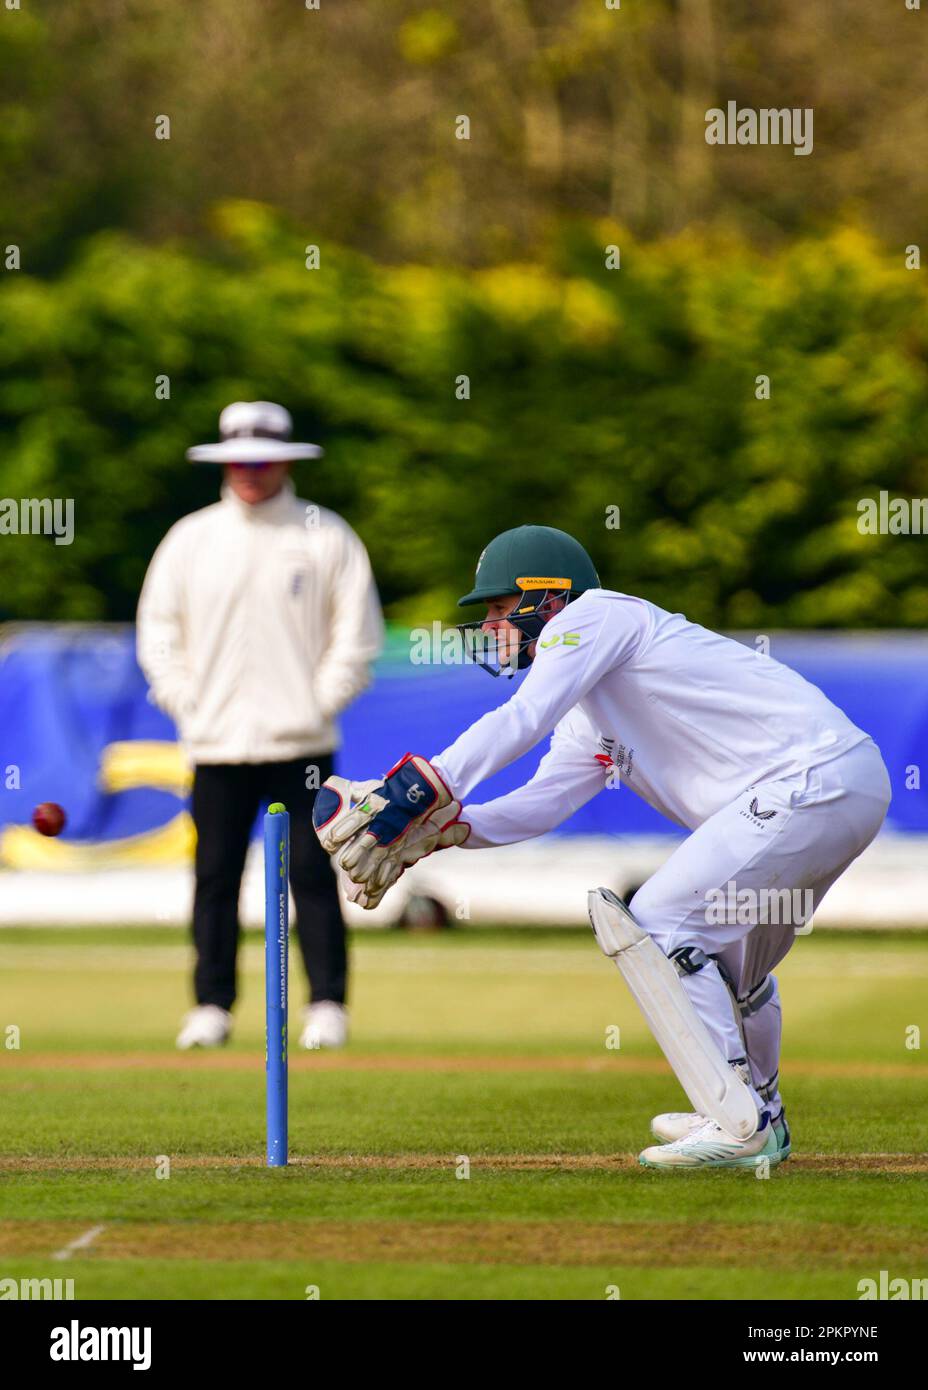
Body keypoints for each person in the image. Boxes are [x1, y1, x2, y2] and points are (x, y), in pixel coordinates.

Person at [312, 524, 890, 1169]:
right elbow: (544, 802)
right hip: (834, 787)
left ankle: (737, 1122)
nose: (494, 627)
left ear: (550, 599)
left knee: (664, 921)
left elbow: (519, 719)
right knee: (739, 971)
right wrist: (448, 830)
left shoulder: (601, 615)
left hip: (811, 780)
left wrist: (417, 788)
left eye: (503, 609)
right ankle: (763, 1117)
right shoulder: (587, 712)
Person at [137, 401, 383, 1050]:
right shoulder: (191, 539)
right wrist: (188, 702)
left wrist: (316, 704)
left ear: (284, 461)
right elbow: (158, 636)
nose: (250, 472)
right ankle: (211, 1006)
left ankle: (327, 1005)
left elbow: (355, 640)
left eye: (262, 459)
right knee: (215, 875)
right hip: (215, 746)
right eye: (239, 461)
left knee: (310, 873)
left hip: (301, 746)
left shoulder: (326, 535)